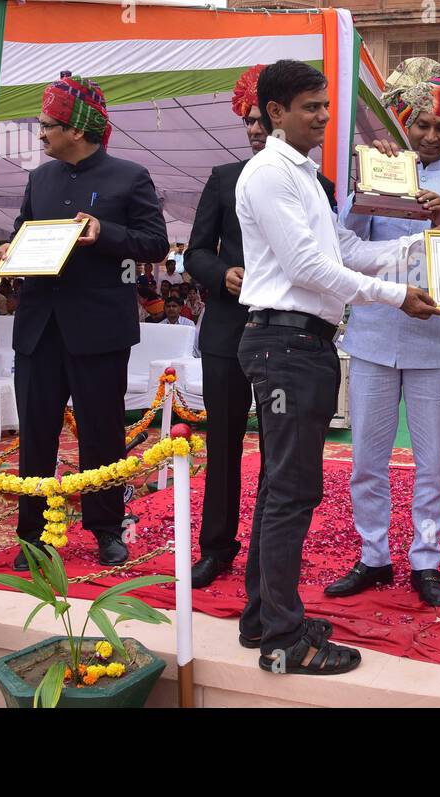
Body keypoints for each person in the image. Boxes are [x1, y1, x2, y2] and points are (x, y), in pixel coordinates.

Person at [235, 58, 440, 674]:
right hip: (285, 345)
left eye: (326, 106)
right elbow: (307, 268)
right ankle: (283, 639)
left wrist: (421, 242)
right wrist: (396, 295)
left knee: (281, 486)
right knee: (290, 492)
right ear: (276, 113)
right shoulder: (269, 174)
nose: (324, 117)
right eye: (310, 107)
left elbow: (346, 248)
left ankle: (260, 618)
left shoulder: (305, 175)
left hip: (302, 344)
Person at [324, 59, 440, 608]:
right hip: (373, 334)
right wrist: (360, 190)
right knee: (368, 460)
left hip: (436, 341)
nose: (429, 136)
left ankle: (426, 558)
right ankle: (373, 556)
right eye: (420, 125)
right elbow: (344, 247)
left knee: (431, 461)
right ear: (404, 123)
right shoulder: (376, 170)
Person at [2, 72, 169, 569]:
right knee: (34, 435)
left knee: (102, 436)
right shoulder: (39, 179)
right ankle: (32, 535)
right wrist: (11, 251)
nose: (40, 134)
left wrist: (106, 231)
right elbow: (22, 233)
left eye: (47, 125)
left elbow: (154, 243)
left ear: (76, 129)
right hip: (38, 328)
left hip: (98, 331)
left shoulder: (129, 176)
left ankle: (106, 530)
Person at [183, 63, 275, 587]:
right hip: (227, 331)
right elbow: (195, 252)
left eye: (262, 120)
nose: (255, 130)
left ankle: (267, 549)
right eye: (247, 123)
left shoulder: (317, 183)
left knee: (276, 447)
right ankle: (216, 548)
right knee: (223, 443)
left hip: (286, 334)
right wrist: (223, 275)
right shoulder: (223, 179)